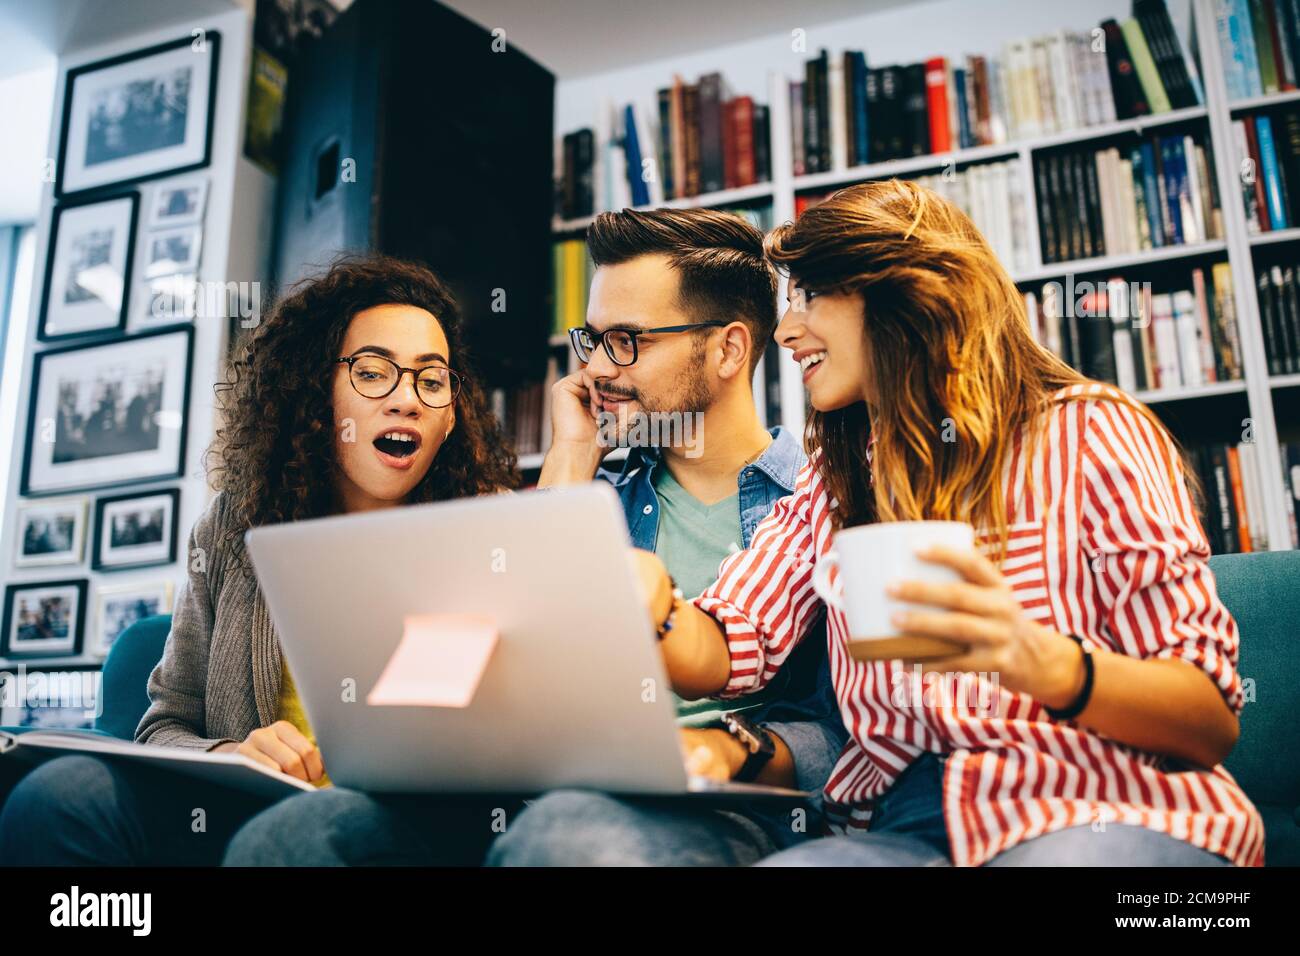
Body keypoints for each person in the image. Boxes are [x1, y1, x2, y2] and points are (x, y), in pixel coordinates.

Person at [623, 180, 1263, 867]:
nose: (784, 331)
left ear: (903, 292)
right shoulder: (836, 474)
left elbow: (1208, 719)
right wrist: (651, 600)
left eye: (809, 294)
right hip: (903, 826)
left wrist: (1037, 661)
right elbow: (728, 642)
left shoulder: (1091, 431)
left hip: (1100, 803)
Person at [0, 255, 517, 865]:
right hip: (232, 812)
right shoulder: (232, 529)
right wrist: (228, 755)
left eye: (431, 381)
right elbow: (163, 726)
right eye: (374, 372)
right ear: (315, 391)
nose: (406, 398)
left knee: (289, 841)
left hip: (398, 834)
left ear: (451, 414)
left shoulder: (492, 534)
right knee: (60, 797)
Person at [486, 207, 845, 867]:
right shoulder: (594, 498)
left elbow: (843, 735)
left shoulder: (819, 504)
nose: (595, 367)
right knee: (301, 834)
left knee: (567, 839)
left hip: (730, 808)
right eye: (590, 340)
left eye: (626, 340)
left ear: (729, 349)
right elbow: (517, 672)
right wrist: (570, 456)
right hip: (549, 788)